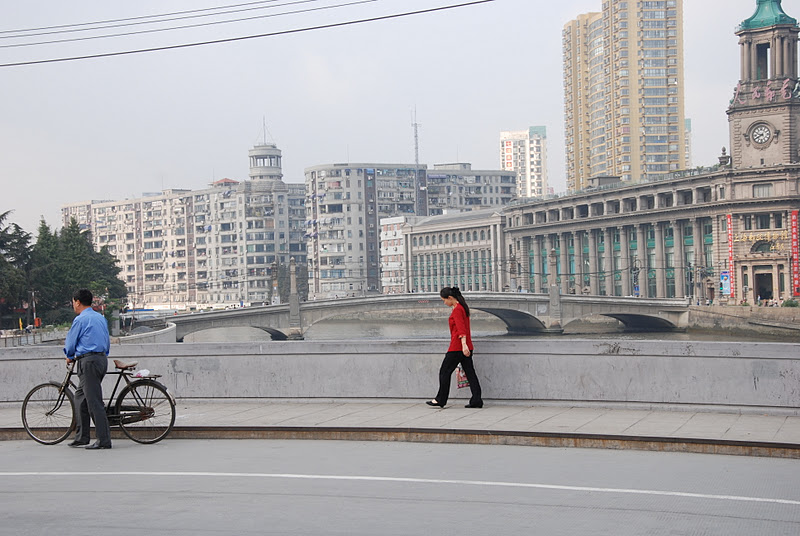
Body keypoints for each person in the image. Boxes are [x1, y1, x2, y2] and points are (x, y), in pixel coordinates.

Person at [64, 289, 112, 450]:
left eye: (73, 302)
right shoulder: (100, 318)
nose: (73, 305)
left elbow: (71, 342)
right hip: (101, 359)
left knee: (94, 402)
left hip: (88, 362)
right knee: (80, 398)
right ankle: (82, 437)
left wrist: (69, 355)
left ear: (78, 302)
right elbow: (106, 341)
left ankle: (104, 440)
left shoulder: (80, 319)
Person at [426, 287, 483, 409]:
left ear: (450, 298)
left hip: (457, 347)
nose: (444, 303)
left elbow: (461, 329)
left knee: (444, 372)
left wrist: (463, 344)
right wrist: (466, 345)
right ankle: (477, 399)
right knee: (470, 373)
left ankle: (440, 399)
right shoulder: (463, 308)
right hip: (466, 346)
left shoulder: (457, 310)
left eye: (444, 300)